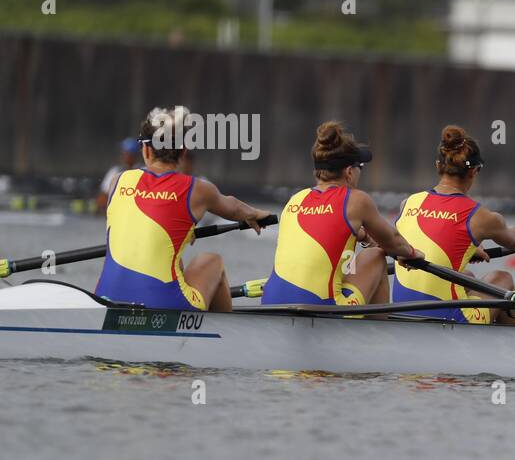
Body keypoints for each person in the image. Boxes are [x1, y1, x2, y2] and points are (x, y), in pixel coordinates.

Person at [95, 106, 271, 311]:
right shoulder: (198, 189)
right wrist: (255, 214)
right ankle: (221, 337)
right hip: (164, 304)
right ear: (183, 151)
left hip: (104, 298)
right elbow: (233, 207)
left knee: (171, 260)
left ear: (146, 150)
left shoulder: (118, 180)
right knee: (212, 260)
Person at [391, 125, 515, 323]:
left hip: (401, 311)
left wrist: (465, 246)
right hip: (447, 318)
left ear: (438, 166)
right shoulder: (480, 216)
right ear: (474, 171)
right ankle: (514, 346)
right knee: (502, 278)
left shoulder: (408, 203)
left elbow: (433, 235)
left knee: (468, 276)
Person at [261, 121, 421, 307]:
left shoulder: (296, 199)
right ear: (349, 172)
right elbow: (393, 242)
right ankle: (377, 332)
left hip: (270, 301)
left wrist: (361, 235)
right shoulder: (357, 200)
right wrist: (410, 253)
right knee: (376, 256)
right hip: (322, 306)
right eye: (360, 166)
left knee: (342, 261)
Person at [95, 138, 139, 214]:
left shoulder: (142, 171)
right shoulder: (115, 171)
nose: (122, 155)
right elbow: (103, 197)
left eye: (124, 152)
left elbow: (103, 198)